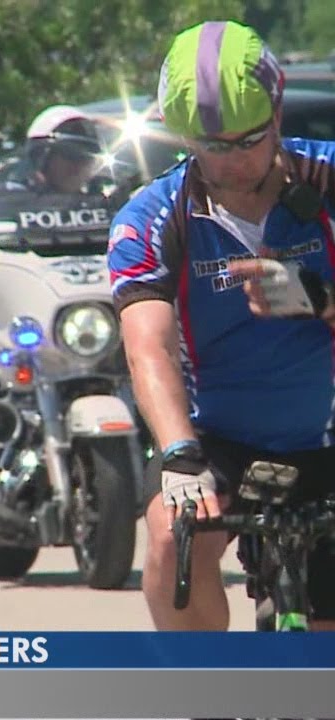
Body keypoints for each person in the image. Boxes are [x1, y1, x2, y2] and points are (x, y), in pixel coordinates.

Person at [107, 19, 335, 631]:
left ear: (279, 112)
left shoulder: (328, 182)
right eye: (210, 145)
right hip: (218, 438)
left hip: (326, 430)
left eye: (246, 140)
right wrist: (180, 455)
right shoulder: (155, 214)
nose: (229, 160)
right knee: (169, 538)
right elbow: (147, 347)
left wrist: (320, 298)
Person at [0, 106, 108, 463]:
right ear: (42, 158)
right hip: (28, 311)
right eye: (69, 158)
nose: (79, 168)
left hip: (85, 318)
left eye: (85, 160)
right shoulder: (10, 187)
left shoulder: (105, 194)